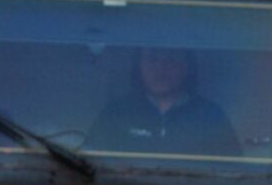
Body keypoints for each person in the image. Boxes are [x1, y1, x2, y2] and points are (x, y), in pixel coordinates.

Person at [84, 47, 243, 158]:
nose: (161, 68)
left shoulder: (210, 116)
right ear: (139, 65)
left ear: (187, 66)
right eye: (152, 59)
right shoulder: (116, 113)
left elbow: (233, 175)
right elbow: (89, 166)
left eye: (171, 59)